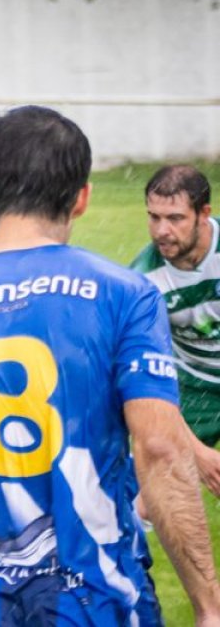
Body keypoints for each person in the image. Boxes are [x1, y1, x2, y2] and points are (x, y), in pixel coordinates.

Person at [0, 105, 220, 625]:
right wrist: (208, 604)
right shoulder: (125, 294)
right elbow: (158, 449)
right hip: (98, 598)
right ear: (81, 198)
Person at [131, 164, 220, 497]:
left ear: (203, 213)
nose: (162, 231)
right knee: (153, 492)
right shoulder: (143, 283)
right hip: (192, 386)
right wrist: (196, 452)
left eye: (175, 218)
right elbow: (144, 381)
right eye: (154, 217)